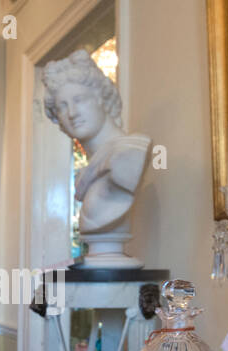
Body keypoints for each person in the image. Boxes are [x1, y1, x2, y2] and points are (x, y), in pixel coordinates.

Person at [42, 50, 151, 242]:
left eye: (79, 100)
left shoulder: (128, 153)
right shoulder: (90, 170)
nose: (72, 113)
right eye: (62, 106)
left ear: (101, 98)